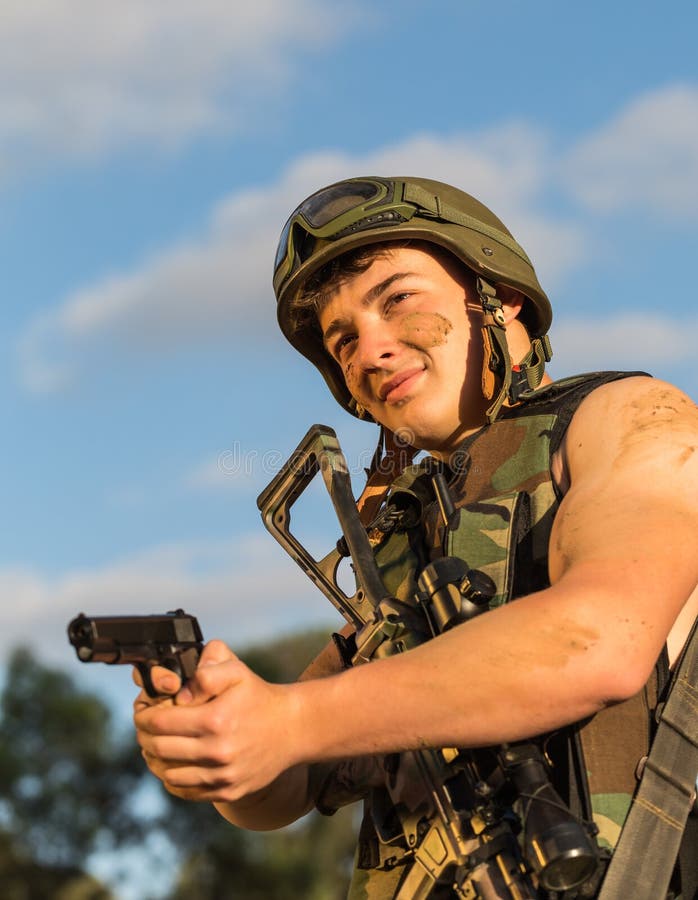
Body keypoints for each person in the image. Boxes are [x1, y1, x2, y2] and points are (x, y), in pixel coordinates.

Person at [133, 177, 698, 898]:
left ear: (501, 297)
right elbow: (287, 787)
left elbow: (600, 642)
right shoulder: (403, 525)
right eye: (342, 340)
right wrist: (216, 735)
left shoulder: (628, 416)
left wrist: (291, 719)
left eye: (398, 299)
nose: (368, 350)